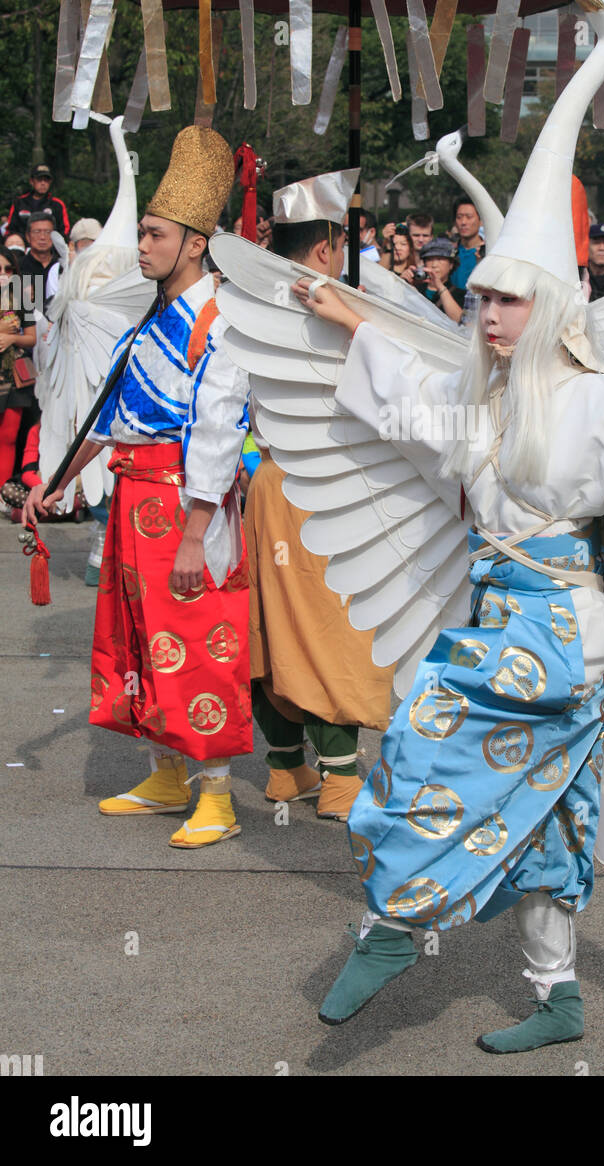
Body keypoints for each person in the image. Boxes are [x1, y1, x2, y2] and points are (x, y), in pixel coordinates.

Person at [291, 217, 604, 1051]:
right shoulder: (485, 398)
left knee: (417, 744)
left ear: (553, 309)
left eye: (507, 299)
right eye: (480, 298)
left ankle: (394, 923)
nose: (487, 314)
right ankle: (559, 999)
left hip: (563, 628)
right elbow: (408, 399)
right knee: (547, 817)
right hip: (511, 618)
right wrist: (356, 321)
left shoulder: (598, 397)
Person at [24, 126, 253, 849]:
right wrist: (53, 483)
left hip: (190, 504)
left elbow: (218, 432)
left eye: (155, 235)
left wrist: (194, 532)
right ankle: (164, 772)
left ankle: (215, 793)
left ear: (194, 243)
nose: (142, 246)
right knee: (136, 643)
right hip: (132, 498)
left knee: (198, 639)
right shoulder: (151, 319)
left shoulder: (220, 321)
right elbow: (112, 414)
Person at [244, 174, 394, 820]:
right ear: (331, 246)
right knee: (336, 630)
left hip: (265, 482)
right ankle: (338, 778)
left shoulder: (247, 298)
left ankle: (285, 766)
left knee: (270, 629)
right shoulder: (340, 305)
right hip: (326, 487)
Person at [0, 245, 37, 485]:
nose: (2, 273)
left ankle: (2, 492)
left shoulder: (20, 299)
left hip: (16, 375)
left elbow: (32, 337)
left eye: (7, 268)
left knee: (9, 437)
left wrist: (12, 337)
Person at [5, 162, 70, 242]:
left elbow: (64, 231)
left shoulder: (57, 204)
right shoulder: (19, 202)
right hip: (22, 248)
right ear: (32, 181)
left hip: (50, 248)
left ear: (50, 182)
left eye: (46, 180)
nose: (43, 183)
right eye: (39, 179)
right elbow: (10, 230)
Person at [18, 212, 62, 313]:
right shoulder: (18, 267)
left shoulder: (63, 266)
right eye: (37, 232)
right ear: (28, 236)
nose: (42, 237)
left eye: (47, 232)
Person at [419, 238, 465, 323]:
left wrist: (440, 286)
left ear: (451, 264)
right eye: (429, 259)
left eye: (440, 259)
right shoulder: (417, 288)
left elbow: (460, 321)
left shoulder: (460, 294)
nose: (434, 265)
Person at [450, 196, 484, 290]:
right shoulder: (448, 252)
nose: (463, 222)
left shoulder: (487, 253)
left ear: (480, 220)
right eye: (459, 217)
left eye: (469, 217)